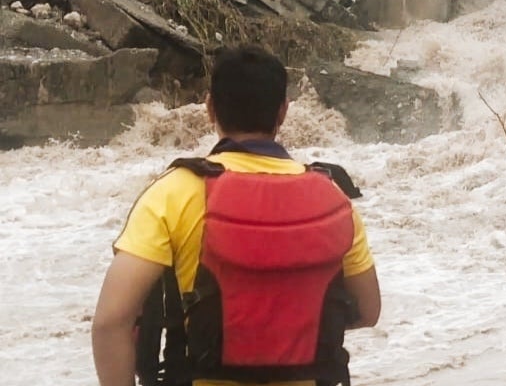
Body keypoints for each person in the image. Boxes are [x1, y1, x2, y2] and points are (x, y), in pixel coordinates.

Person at [92, 46, 381, 386]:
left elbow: (111, 322)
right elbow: (368, 311)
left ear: (210, 108)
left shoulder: (175, 192)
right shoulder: (333, 197)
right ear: (283, 112)